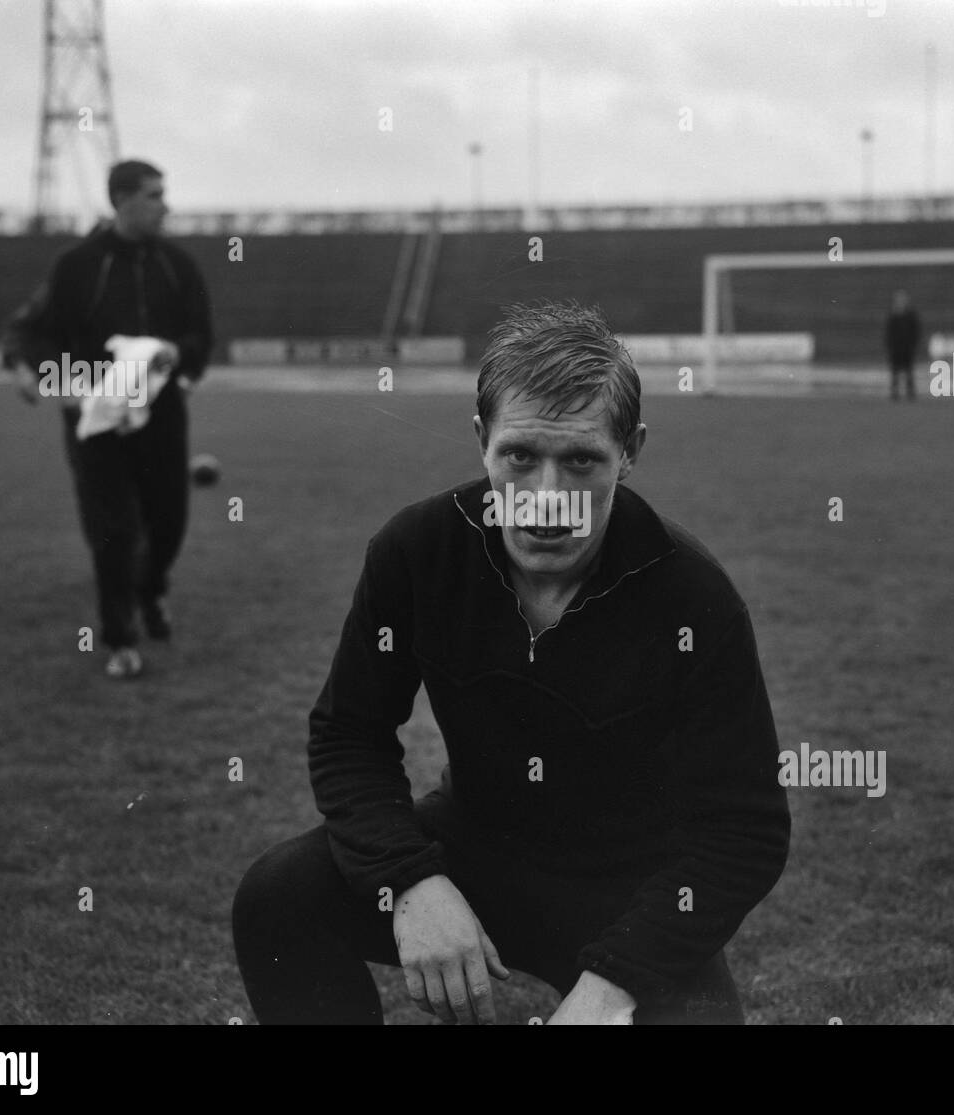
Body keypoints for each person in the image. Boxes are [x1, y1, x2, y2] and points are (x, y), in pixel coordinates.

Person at [233, 302, 791, 1025]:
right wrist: (412, 883)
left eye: (582, 460)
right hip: (472, 843)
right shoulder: (418, 552)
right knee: (278, 897)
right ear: (480, 441)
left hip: (627, 885)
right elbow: (350, 732)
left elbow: (746, 828)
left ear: (632, 451)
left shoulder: (691, 594)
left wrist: (615, 982)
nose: (548, 499)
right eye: (521, 456)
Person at [17, 160, 213, 679]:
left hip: (162, 414)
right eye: (153, 195)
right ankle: (120, 638)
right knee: (115, 528)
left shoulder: (177, 264)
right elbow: (39, 334)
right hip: (96, 417)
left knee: (168, 522)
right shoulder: (77, 264)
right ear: (121, 200)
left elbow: (201, 336)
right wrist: (63, 383)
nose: (164, 205)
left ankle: (150, 593)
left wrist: (176, 349)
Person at [884, 288, 922, 401]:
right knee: (895, 371)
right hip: (896, 348)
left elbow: (916, 331)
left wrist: (913, 344)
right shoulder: (893, 315)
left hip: (907, 348)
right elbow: (889, 332)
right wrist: (890, 345)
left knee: (909, 371)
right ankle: (894, 392)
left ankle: (910, 392)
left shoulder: (911, 315)